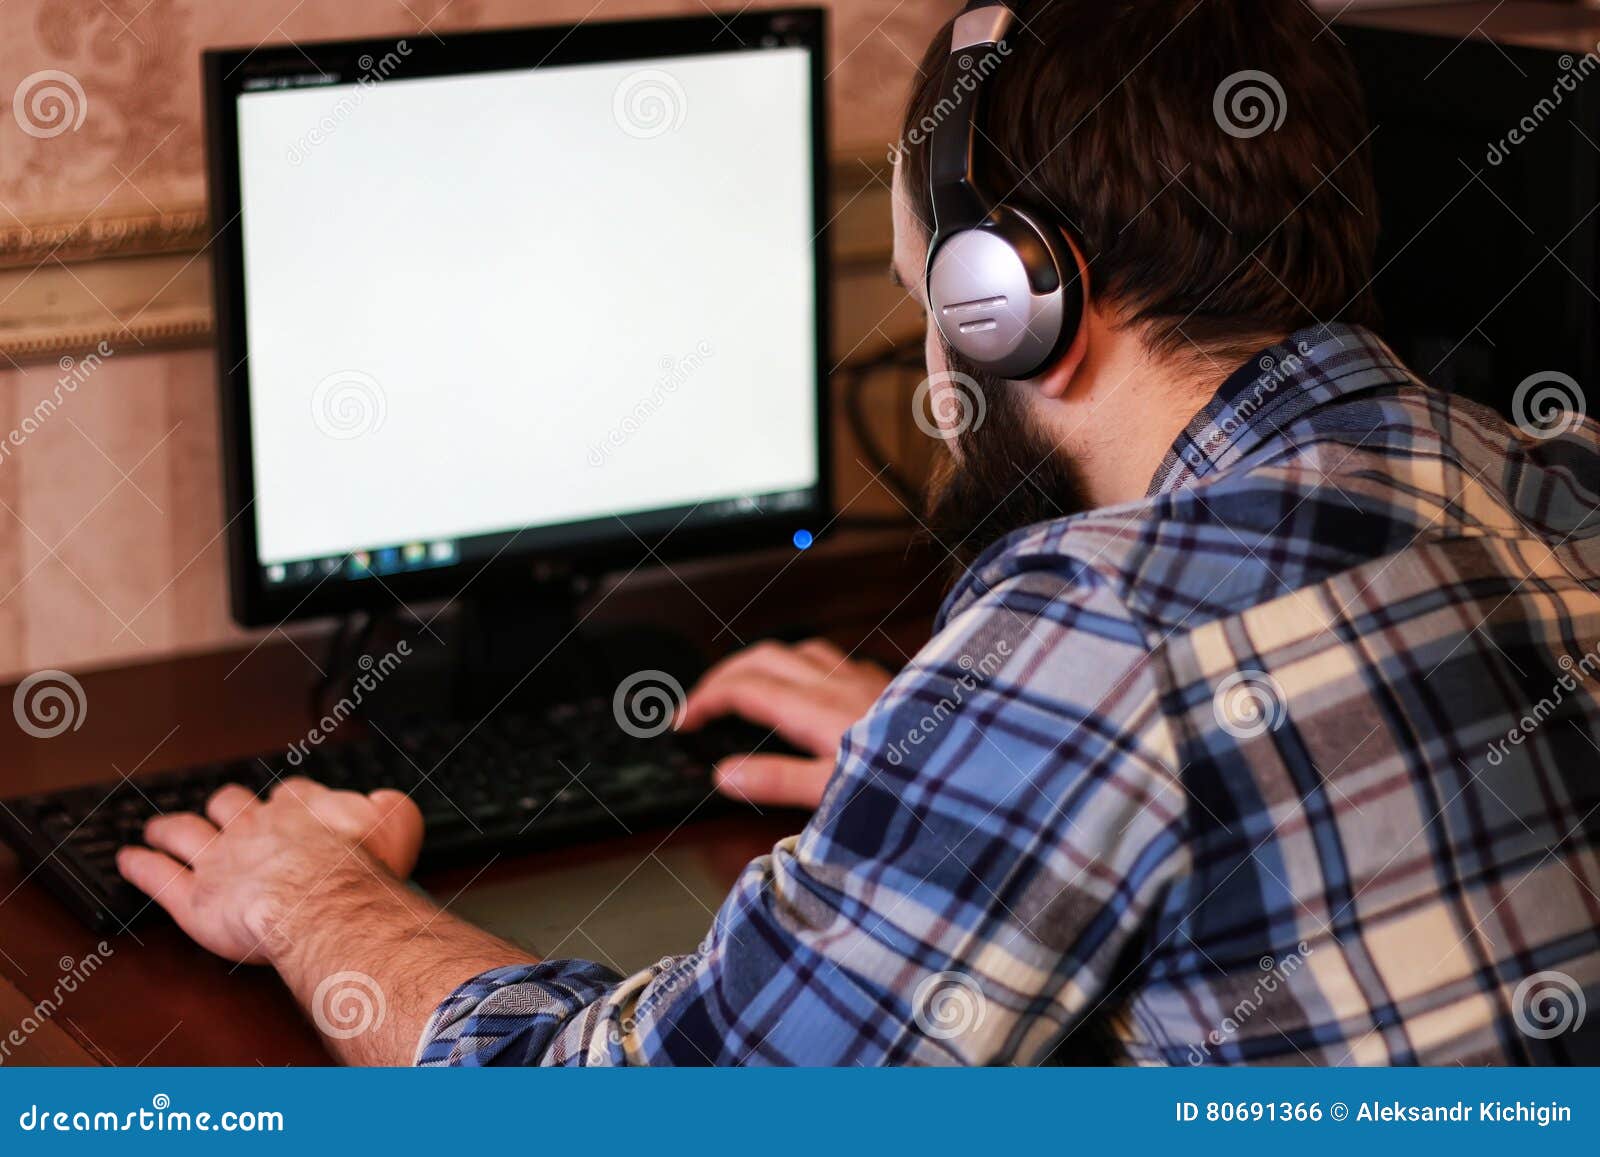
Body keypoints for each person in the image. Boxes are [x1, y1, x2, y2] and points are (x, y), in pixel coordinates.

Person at [117, 0, 1599, 1065]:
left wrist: (318, 894)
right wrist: (958, 759)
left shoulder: (1094, 643)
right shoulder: (1545, 472)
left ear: (1015, 304)